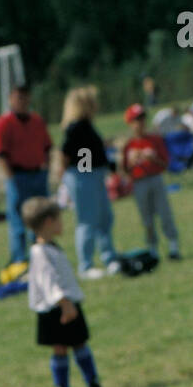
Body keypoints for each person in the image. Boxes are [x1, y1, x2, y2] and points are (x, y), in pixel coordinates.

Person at [23, 195, 103, 387]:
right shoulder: (39, 252)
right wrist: (64, 303)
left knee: (79, 343)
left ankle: (93, 383)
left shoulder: (52, 247)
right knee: (59, 348)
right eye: (59, 218)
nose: (62, 223)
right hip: (56, 308)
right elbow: (47, 281)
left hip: (68, 304)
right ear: (49, 222)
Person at [59, 86, 119, 279]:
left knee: (104, 218)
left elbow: (89, 152)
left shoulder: (87, 126)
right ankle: (86, 265)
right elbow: (70, 154)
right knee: (87, 220)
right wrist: (87, 172)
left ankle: (109, 257)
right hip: (84, 177)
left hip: (93, 175)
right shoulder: (76, 128)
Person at [0, 84, 52, 264]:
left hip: (37, 174)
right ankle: (20, 260)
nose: (22, 101)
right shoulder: (4, 123)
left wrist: (46, 168)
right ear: (11, 99)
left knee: (41, 216)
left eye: (25, 97)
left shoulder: (36, 121)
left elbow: (47, 146)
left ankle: (42, 254)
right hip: (18, 176)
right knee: (18, 220)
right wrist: (10, 177)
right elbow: (1, 153)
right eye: (18, 97)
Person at [121, 104, 181, 261]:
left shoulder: (154, 139)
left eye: (142, 119)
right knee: (146, 217)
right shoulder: (128, 145)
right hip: (139, 181)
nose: (140, 123)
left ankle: (173, 245)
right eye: (136, 120)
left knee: (164, 212)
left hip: (156, 178)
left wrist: (153, 158)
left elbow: (166, 163)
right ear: (130, 123)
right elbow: (124, 170)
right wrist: (131, 161)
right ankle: (152, 248)